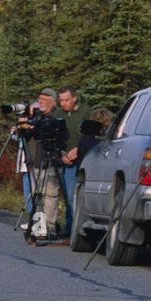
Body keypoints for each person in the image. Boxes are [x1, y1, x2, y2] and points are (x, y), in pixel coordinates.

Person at [20, 88, 68, 242]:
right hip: (36, 160)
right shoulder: (36, 117)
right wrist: (25, 124)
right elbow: (27, 136)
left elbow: (62, 136)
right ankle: (39, 227)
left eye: (44, 100)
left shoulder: (57, 116)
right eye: (39, 99)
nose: (41, 102)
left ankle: (50, 226)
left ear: (53, 102)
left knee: (50, 195)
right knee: (37, 195)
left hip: (52, 160)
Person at [56, 85, 93, 237]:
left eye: (66, 100)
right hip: (65, 161)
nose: (64, 103)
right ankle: (70, 225)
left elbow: (91, 134)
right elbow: (55, 136)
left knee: (75, 197)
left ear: (74, 98)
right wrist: (62, 154)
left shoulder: (86, 112)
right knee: (67, 196)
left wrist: (78, 148)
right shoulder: (59, 114)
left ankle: (79, 228)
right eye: (61, 101)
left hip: (82, 160)